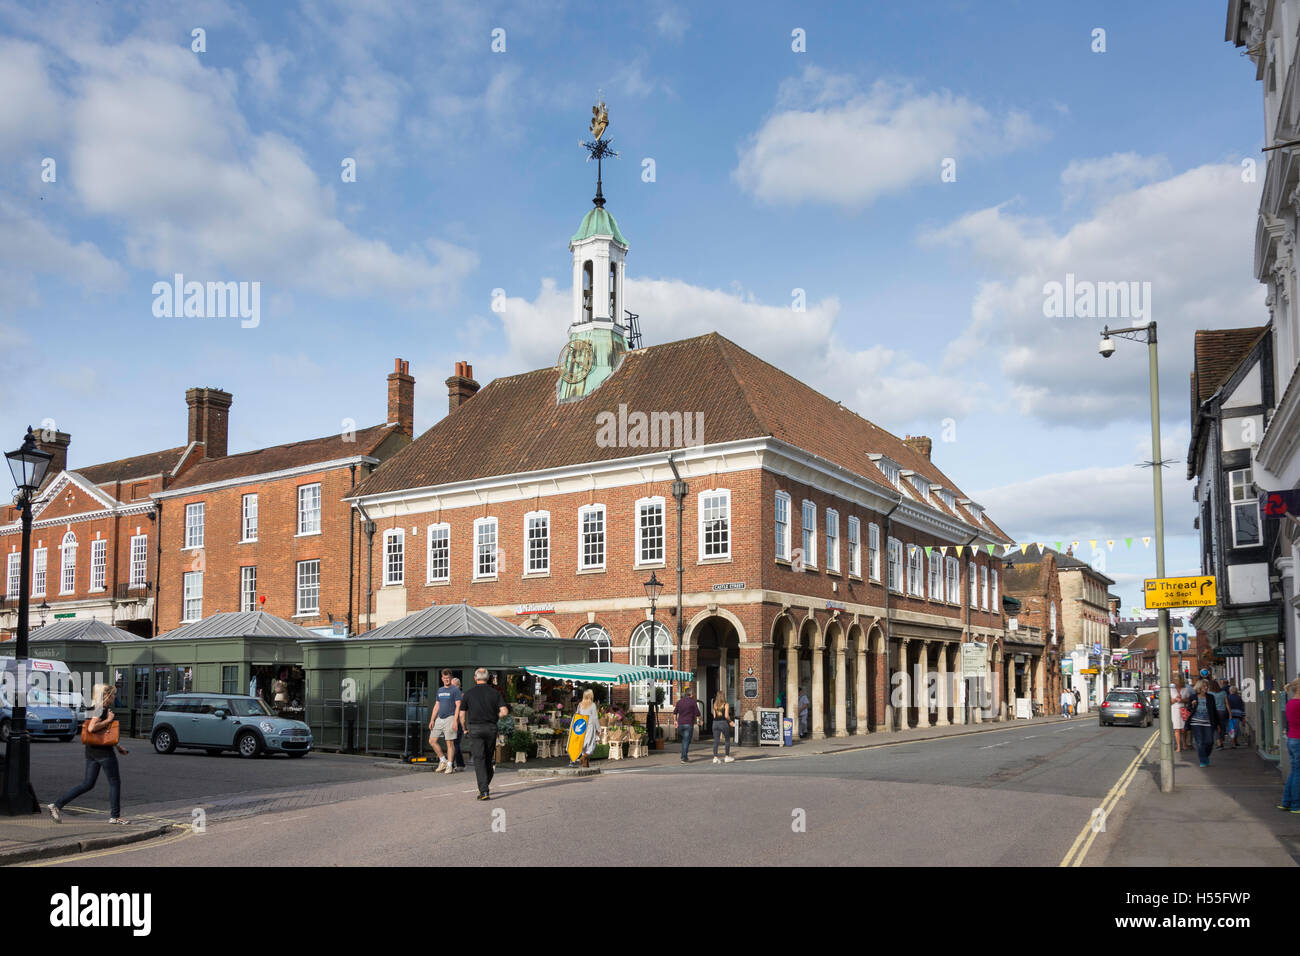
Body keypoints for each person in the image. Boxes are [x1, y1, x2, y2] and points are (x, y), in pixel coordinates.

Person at [47, 683, 130, 825]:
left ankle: (57, 805)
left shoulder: (93, 708)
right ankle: (115, 816)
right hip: (103, 752)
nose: (114, 697)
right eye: (113, 694)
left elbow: (103, 733)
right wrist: (109, 720)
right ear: (106, 696)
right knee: (114, 783)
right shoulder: (101, 709)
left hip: (91, 751)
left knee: (87, 784)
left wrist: (118, 746)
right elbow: (92, 728)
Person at [460, 667, 507, 800]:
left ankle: (484, 790)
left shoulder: (468, 694)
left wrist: (464, 729)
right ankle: (485, 785)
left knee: (479, 759)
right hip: (491, 728)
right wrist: (495, 716)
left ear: (475, 678)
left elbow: (462, 715)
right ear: (487, 678)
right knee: (487, 758)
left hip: (475, 728)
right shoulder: (495, 693)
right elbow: (504, 711)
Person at [427, 669, 463, 773]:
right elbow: (436, 705)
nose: (446, 680)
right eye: (444, 678)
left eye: (448, 678)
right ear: (442, 679)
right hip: (439, 718)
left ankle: (450, 765)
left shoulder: (455, 690)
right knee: (432, 741)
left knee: (449, 743)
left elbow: (458, 706)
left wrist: (455, 721)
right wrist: (432, 719)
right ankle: (443, 760)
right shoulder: (440, 690)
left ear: (450, 678)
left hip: (450, 718)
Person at [1278, 677, 1300, 812]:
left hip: (1292, 738)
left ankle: (1286, 802)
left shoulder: (1291, 703)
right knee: (1298, 773)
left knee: (1294, 772)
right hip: (1298, 740)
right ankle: (1296, 805)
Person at [1187, 679, 1221, 768]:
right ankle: (1203, 760)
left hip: (1208, 723)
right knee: (1200, 742)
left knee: (1209, 742)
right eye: (1204, 686)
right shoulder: (1193, 697)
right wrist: (1192, 705)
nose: (1206, 688)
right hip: (1196, 722)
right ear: (1199, 687)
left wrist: (1217, 724)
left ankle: (1205, 755)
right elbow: (1189, 709)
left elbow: (1214, 711)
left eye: (1207, 686)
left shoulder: (1210, 697)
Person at [570, 689, 599, 768]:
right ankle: (583, 757)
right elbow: (595, 718)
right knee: (592, 745)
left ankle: (585, 765)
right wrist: (598, 729)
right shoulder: (592, 705)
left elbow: (577, 715)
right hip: (590, 726)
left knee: (583, 745)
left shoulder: (580, 704)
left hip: (582, 726)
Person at [673, 685, 701, 763]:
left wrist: (675, 721)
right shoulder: (693, 702)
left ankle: (684, 755)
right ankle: (684, 757)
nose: (694, 695)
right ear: (691, 694)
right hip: (688, 724)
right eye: (693, 694)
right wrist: (701, 720)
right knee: (686, 741)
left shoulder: (679, 702)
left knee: (685, 740)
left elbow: (674, 713)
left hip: (680, 724)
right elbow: (698, 713)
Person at [711, 691, 735, 763]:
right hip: (723, 723)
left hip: (715, 723)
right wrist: (730, 721)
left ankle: (715, 758)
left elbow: (714, 716)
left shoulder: (714, 704)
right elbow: (726, 716)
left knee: (716, 741)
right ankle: (726, 757)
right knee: (727, 740)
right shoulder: (726, 704)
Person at [451, 677, 466, 770]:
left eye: (452, 685)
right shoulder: (453, 695)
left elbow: (461, 712)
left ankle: (450, 764)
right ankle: (460, 764)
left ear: (457, 686)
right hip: (451, 722)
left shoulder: (460, 696)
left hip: (457, 722)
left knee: (454, 744)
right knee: (454, 744)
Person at [1210, 680, 1230, 750]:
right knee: (1222, 727)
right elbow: (1227, 703)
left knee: (1215, 728)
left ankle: (1219, 743)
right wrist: (1230, 713)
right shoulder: (1223, 692)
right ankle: (1221, 740)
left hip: (1214, 712)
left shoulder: (1210, 693)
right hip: (1222, 711)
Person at [1226, 683, 1246, 748]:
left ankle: (1234, 743)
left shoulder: (1228, 697)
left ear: (1230, 691)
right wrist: (1243, 717)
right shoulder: (1239, 698)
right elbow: (1242, 707)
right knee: (1236, 728)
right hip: (1238, 715)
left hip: (1231, 714)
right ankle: (1236, 742)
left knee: (1232, 729)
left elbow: (1226, 706)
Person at [1169, 677, 1186, 752]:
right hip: (1175, 710)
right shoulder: (1171, 690)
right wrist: (1175, 699)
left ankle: (1184, 744)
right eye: (1175, 681)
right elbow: (1169, 702)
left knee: (1184, 729)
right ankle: (1178, 746)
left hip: (1184, 710)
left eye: (1177, 681)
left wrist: (1182, 700)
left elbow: (1189, 700)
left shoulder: (1186, 689)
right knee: (1177, 729)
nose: (1176, 682)